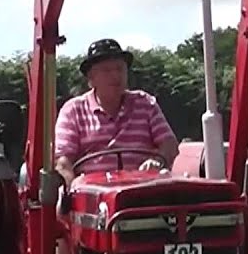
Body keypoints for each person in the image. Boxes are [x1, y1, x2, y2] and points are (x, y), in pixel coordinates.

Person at [53, 38, 178, 189]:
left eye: (120, 69)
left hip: (142, 188)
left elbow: (169, 144)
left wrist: (157, 161)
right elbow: (63, 161)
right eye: (106, 70)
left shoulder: (145, 103)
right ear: (91, 79)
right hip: (93, 196)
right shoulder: (73, 110)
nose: (115, 75)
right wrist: (70, 190)